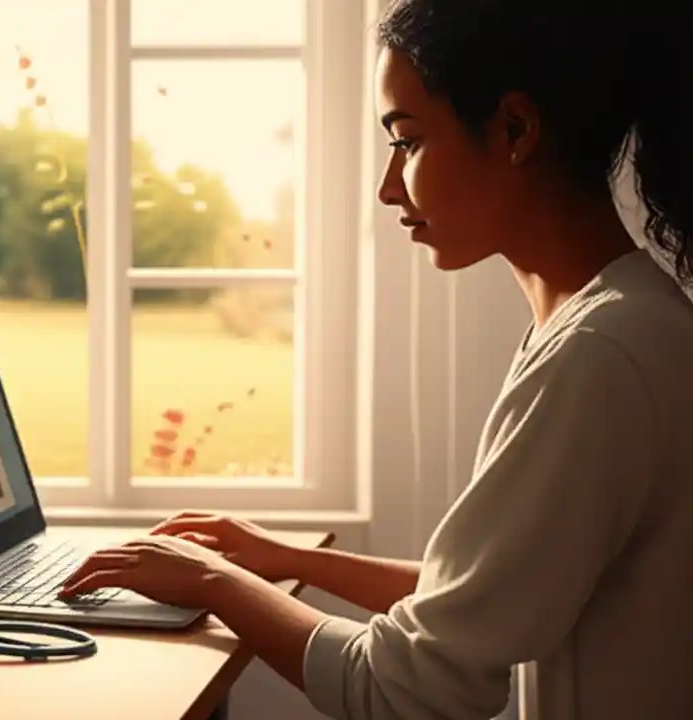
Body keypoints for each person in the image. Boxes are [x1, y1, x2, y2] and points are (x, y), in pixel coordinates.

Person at [58, 1, 693, 717]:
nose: (390, 186)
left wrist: (212, 582)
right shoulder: (612, 324)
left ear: (515, 130)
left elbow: (404, 687)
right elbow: (486, 593)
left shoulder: (599, 358)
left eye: (409, 141)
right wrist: (290, 560)